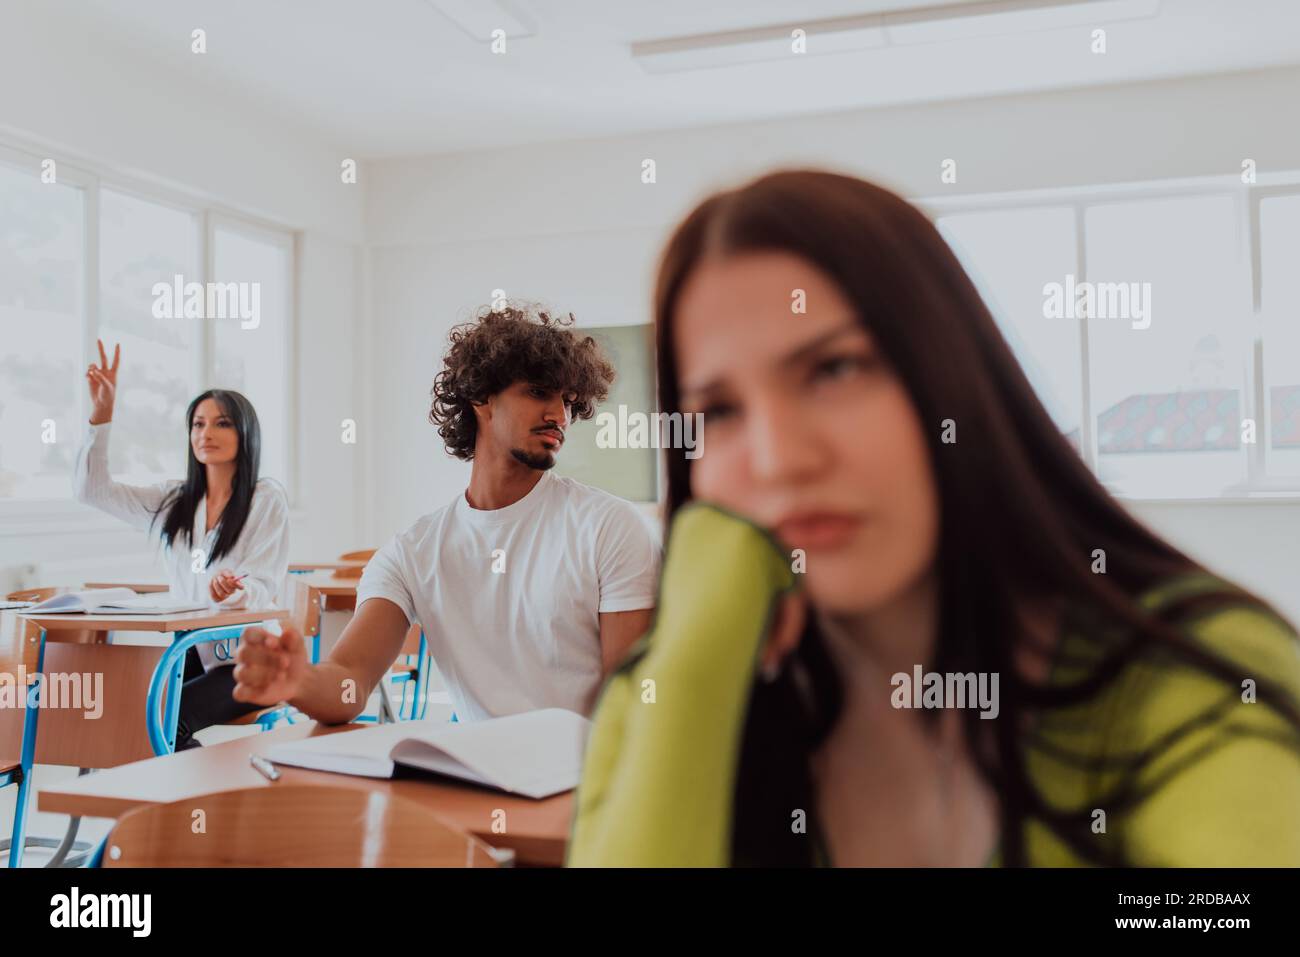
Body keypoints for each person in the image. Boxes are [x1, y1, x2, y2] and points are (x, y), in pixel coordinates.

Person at [567, 170, 1300, 867]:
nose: (780, 457)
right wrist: (698, 648)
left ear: (951, 378)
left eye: (835, 369)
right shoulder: (668, 687)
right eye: (718, 410)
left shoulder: (1186, 674)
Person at [231, 304, 660, 723]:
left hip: (583, 784)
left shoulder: (610, 528)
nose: (559, 415)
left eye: (568, 401)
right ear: (480, 396)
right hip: (479, 780)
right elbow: (350, 681)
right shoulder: (412, 553)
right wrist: (299, 682)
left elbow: (630, 706)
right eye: (538, 392)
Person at [75, 340, 289, 750]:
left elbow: (263, 584)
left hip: (253, 660)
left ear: (245, 434)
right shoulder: (173, 499)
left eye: (222, 423)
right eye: (198, 424)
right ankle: (180, 810)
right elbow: (93, 491)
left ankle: (204, 808)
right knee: (131, 713)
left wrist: (234, 590)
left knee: (163, 721)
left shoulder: (265, 499)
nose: (206, 433)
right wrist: (100, 419)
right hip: (196, 651)